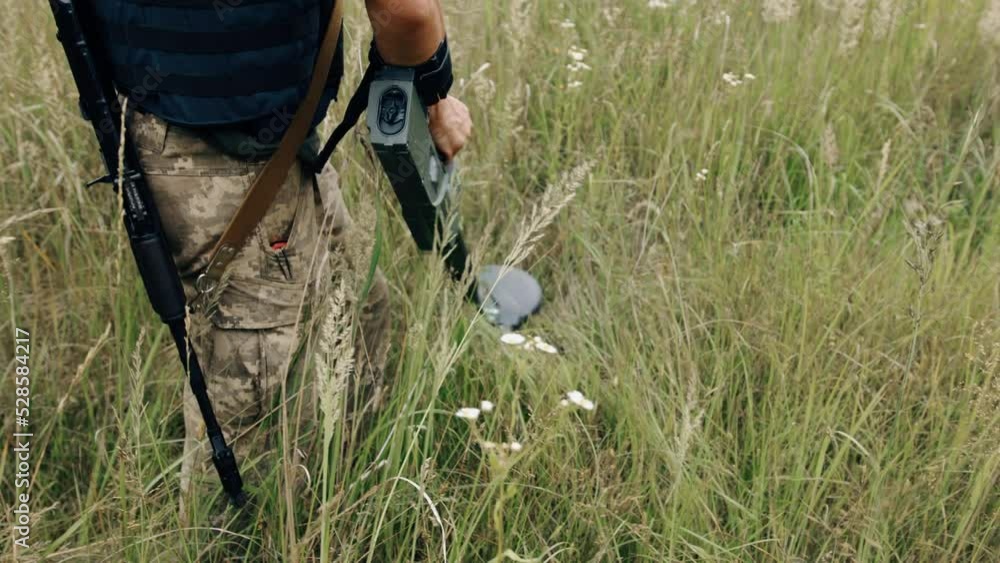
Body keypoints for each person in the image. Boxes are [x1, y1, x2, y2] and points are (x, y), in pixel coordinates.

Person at [89, 0, 472, 536]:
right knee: (250, 406)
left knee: (358, 308)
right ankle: (239, 541)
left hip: (210, 121)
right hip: (225, 147)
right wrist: (435, 90)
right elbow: (405, 13)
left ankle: (342, 502)